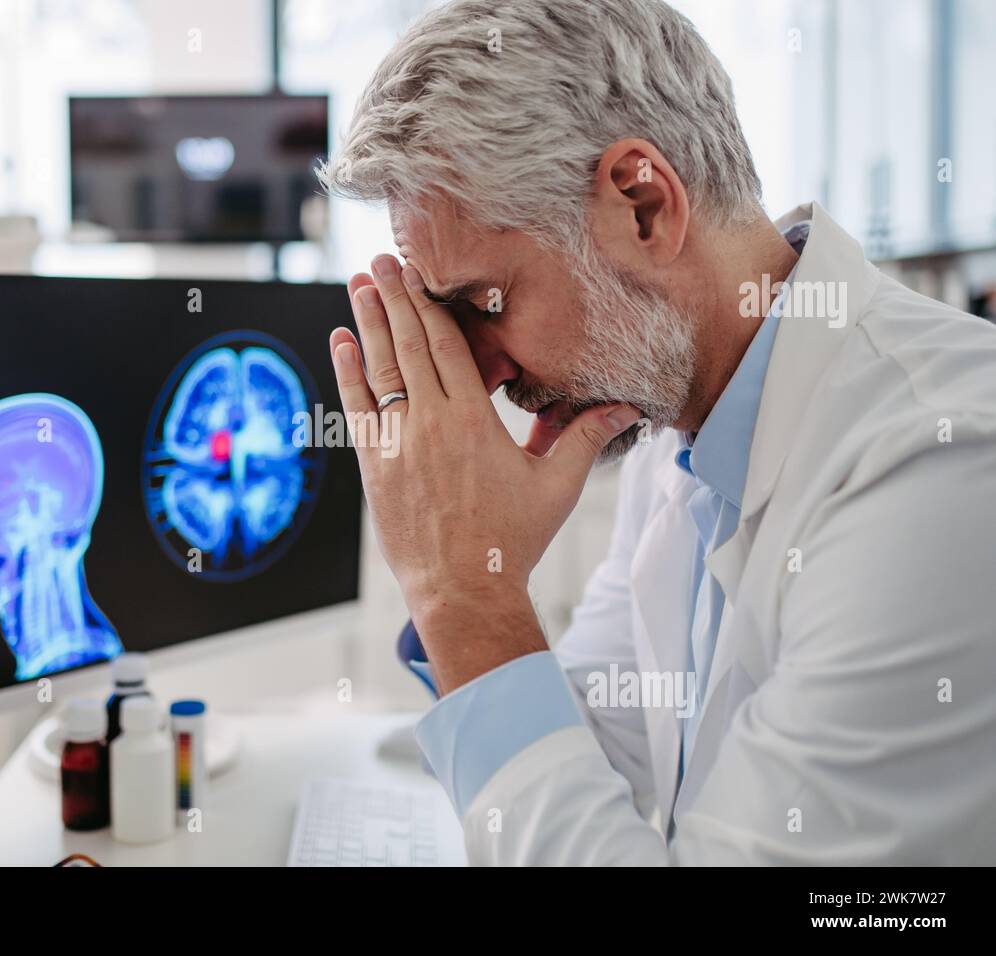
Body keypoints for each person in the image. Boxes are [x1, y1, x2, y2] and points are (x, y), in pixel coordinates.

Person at [317, 0, 996, 864]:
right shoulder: (676, 422)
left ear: (643, 206)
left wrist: (465, 597)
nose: (481, 373)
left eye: (485, 303)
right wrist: (453, 576)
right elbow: (603, 748)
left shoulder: (940, 464)